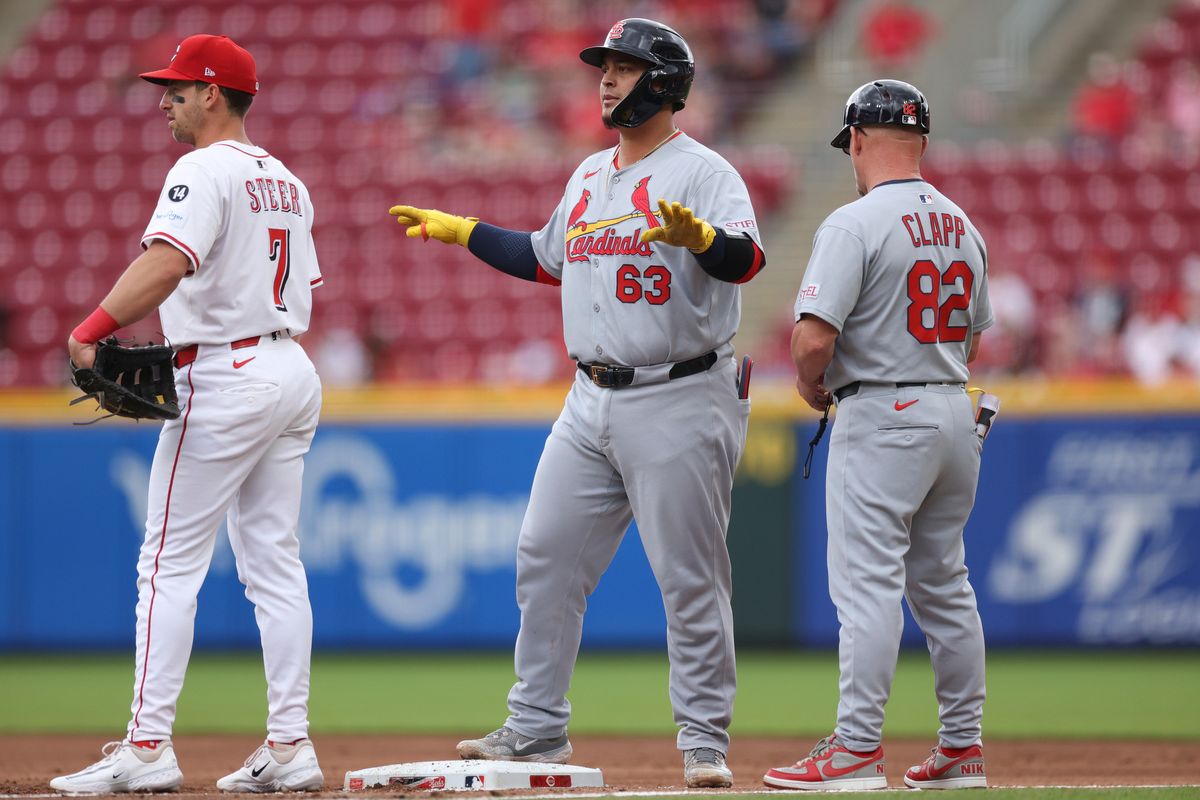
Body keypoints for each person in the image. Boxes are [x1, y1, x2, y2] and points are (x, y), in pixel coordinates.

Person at [388, 18, 764, 788]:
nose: (605, 78)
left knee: (689, 577)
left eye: (625, 67)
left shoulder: (704, 172)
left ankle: (702, 742)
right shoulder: (591, 175)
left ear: (664, 83)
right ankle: (535, 727)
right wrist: (463, 232)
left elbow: (747, 258)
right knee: (544, 555)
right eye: (604, 66)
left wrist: (704, 244)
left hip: (682, 391)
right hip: (589, 396)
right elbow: (544, 256)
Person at [52, 34, 325, 794]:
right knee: (274, 564)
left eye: (178, 88)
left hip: (225, 370)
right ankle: (291, 743)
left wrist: (90, 330)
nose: (165, 99)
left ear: (214, 93)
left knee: (167, 564)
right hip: (289, 366)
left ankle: (146, 747)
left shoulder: (200, 169)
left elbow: (169, 260)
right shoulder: (288, 181)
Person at [762, 80, 992, 791]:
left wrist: (811, 385)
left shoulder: (853, 222)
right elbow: (973, 341)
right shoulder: (964, 224)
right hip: (955, 408)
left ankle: (857, 749)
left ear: (858, 140)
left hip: (884, 413)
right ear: (920, 141)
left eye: (849, 146)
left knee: (867, 588)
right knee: (946, 588)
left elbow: (811, 341)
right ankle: (962, 748)